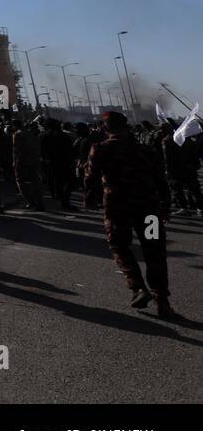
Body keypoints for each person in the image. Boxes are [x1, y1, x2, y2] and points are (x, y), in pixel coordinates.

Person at [86, 110, 175, 318]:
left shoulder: (100, 149)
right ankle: (162, 300)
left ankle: (138, 287)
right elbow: (161, 181)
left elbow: (90, 178)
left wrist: (90, 200)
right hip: (149, 208)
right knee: (155, 251)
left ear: (106, 128)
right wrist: (165, 205)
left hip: (118, 207)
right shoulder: (145, 150)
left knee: (119, 245)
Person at [41, 119, 76, 210]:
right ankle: (64, 201)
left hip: (53, 162)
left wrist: (45, 159)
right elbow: (70, 149)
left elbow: (42, 150)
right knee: (67, 182)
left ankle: (61, 199)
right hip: (63, 162)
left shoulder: (45, 136)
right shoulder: (64, 136)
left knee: (58, 182)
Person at [12, 121, 45, 211]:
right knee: (35, 183)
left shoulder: (17, 135)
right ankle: (40, 203)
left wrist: (15, 163)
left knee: (21, 183)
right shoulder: (31, 134)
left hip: (22, 162)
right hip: (34, 161)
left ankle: (31, 202)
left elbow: (16, 151)